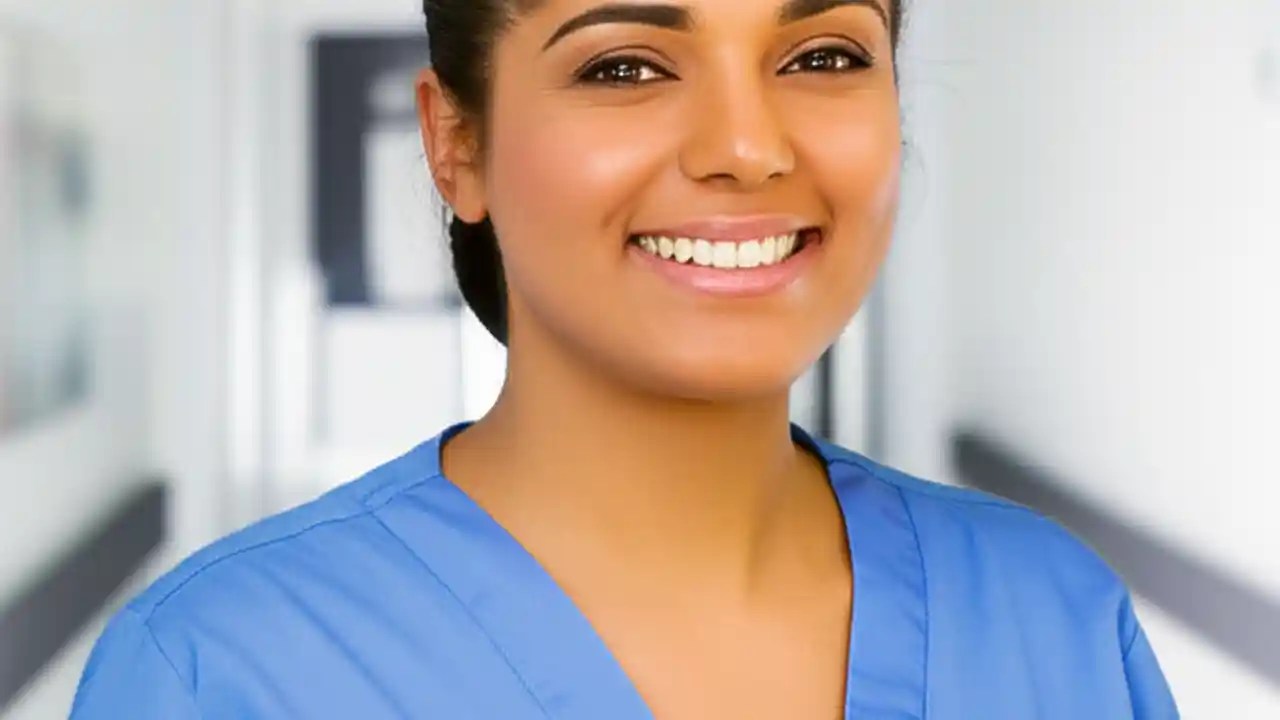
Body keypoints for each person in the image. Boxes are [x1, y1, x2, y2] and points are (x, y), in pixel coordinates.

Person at [71, 0, 1179, 717]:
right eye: (625, 68)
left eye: (823, 54)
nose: (747, 148)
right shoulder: (221, 672)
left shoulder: (1052, 619)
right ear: (456, 144)